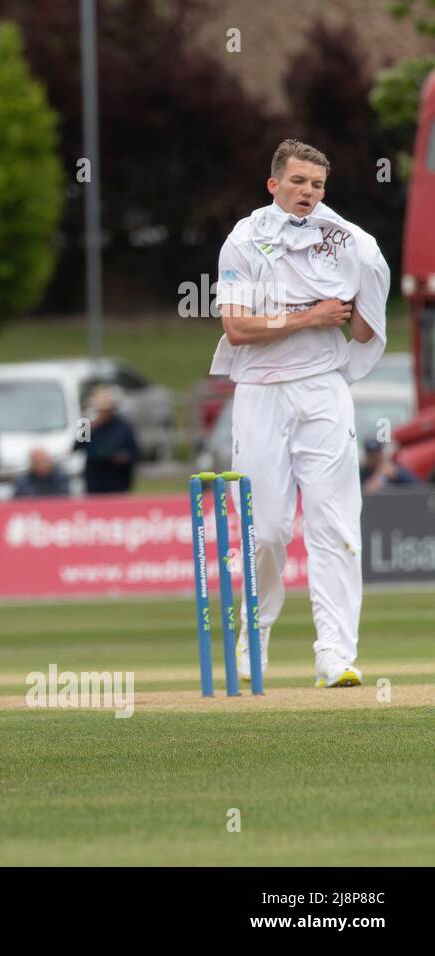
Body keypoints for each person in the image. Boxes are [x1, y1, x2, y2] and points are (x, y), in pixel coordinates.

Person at [211, 139, 389, 690]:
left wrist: (367, 295)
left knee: (335, 525)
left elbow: (361, 330)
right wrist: (308, 317)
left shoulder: (348, 243)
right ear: (274, 184)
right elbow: (236, 328)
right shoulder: (243, 239)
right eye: (297, 182)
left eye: (316, 185)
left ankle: (334, 654)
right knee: (266, 528)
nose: (307, 192)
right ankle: (253, 638)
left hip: (323, 391)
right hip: (261, 392)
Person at [76, 386, 139, 494]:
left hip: (118, 481)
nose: (103, 413)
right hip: (94, 481)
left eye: (106, 410)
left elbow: (135, 453)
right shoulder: (87, 424)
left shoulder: (123, 427)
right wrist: (90, 429)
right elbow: (77, 447)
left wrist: (124, 458)